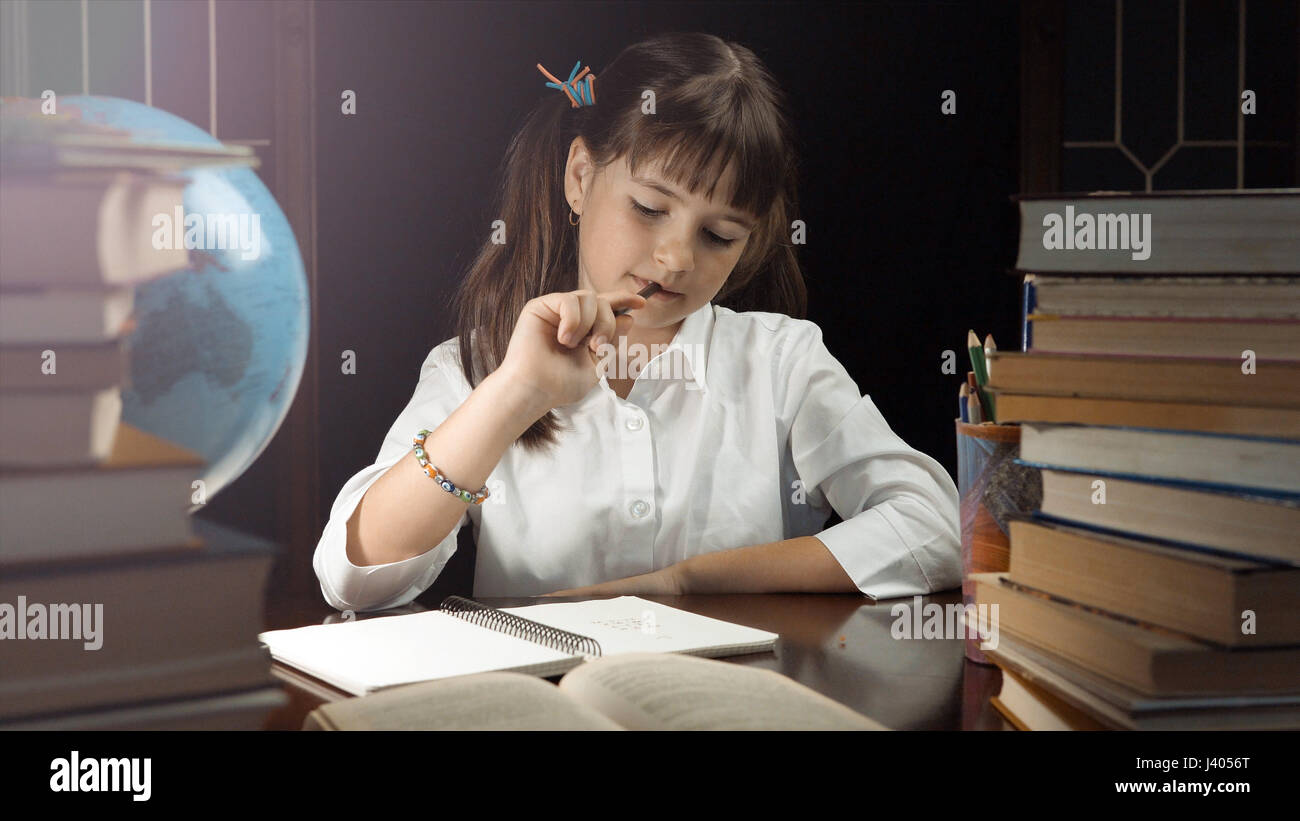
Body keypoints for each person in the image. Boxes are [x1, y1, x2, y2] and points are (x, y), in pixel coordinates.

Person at [313, 32, 960, 611]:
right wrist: (514, 394)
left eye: (718, 234)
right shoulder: (477, 363)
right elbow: (353, 575)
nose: (677, 258)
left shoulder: (782, 361)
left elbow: (935, 527)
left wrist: (686, 581)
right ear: (579, 175)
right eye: (650, 207)